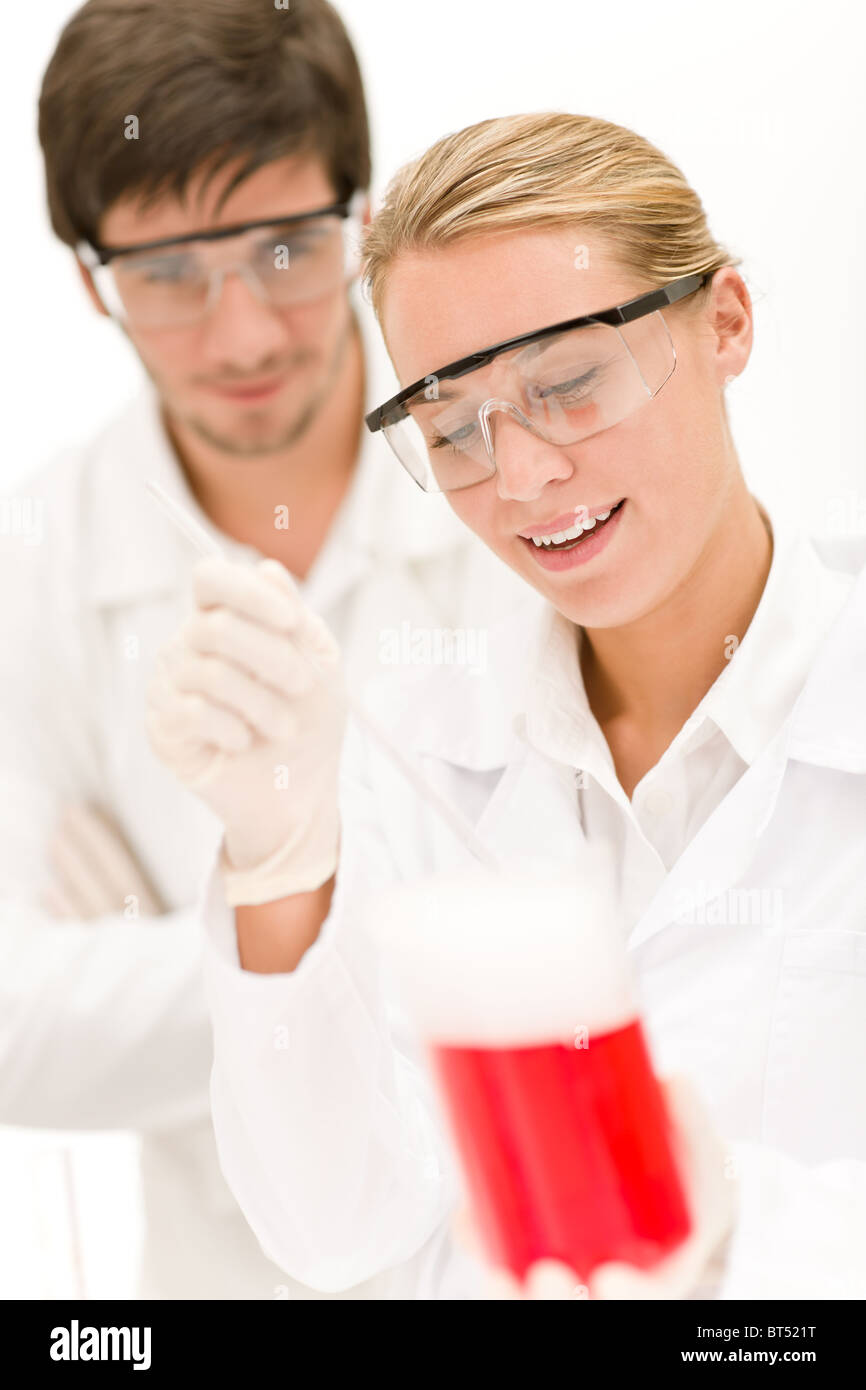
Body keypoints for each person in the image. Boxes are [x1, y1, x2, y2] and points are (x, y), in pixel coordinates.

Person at [146, 112, 866, 1298]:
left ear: (724, 321)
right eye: (453, 424)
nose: (522, 474)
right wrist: (278, 869)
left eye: (570, 381)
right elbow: (342, 1233)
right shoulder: (414, 739)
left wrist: (736, 1231)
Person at [0, 3, 525, 1300]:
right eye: (166, 275)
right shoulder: (36, 564)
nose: (238, 336)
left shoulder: (533, 486)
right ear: (86, 277)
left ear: (358, 218)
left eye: (286, 249)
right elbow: (13, 1030)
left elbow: (640, 937)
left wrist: (229, 932)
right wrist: (421, 932)